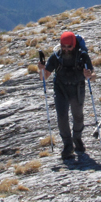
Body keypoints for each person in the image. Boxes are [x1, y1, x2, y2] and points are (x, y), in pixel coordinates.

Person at [40, 31, 94, 160]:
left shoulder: (83, 57)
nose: (66, 49)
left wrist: (89, 76)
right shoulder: (55, 57)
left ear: (74, 45)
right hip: (61, 89)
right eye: (63, 46)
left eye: (69, 46)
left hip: (77, 89)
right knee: (62, 117)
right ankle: (68, 145)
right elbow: (45, 76)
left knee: (78, 116)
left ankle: (77, 139)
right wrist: (41, 69)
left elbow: (93, 75)